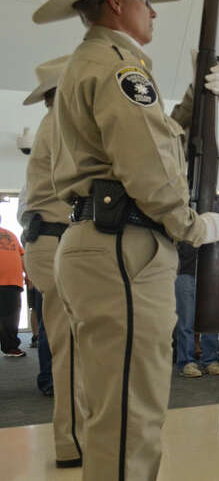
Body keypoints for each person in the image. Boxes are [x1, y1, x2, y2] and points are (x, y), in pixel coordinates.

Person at [37, 0, 219, 479]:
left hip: (104, 244)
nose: (153, 10)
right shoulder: (118, 69)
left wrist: (199, 99)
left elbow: (150, 141)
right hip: (123, 251)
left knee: (115, 411)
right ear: (115, 1)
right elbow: (149, 170)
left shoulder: (98, 64)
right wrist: (195, 226)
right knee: (131, 416)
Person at [19, 55, 85, 467]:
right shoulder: (62, 124)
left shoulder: (54, 125)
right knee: (73, 351)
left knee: (71, 347)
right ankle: (72, 444)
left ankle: (74, 440)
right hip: (56, 241)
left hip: (51, 241)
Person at [175, 198, 219, 378]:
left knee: (210, 317)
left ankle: (210, 360)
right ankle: (187, 362)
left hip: (210, 269)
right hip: (184, 268)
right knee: (186, 320)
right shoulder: (180, 200)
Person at [0, 216, 26, 358]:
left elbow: (21, 256)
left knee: (11, 317)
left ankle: (11, 348)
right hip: (11, 282)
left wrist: (28, 276)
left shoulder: (11, 235)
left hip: (12, 282)